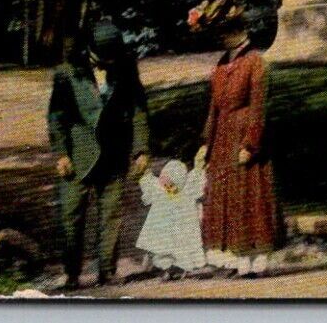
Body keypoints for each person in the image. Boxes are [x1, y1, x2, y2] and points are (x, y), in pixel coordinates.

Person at [46, 21, 151, 289]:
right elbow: (56, 117)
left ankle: (107, 271)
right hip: (77, 156)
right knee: (71, 216)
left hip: (114, 155)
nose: (111, 62)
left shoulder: (126, 67)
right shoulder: (67, 72)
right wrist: (61, 154)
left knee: (111, 216)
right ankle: (72, 274)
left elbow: (138, 109)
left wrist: (141, 149)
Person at [188, 0, 283, 277]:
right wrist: (206, 143)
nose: (221, 38)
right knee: (227, 197)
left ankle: (259, 256)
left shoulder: (255, 62)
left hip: (244, 136)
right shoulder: (221, 64)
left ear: (237, 30)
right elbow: (214, 108)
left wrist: (251, 144)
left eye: (224, 33)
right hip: (223, 139)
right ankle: (237, 256)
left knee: (250, 196)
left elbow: (258, 107)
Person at [136, 158, 207, 279]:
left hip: (171, 233)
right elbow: (195, 180)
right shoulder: (184, 193)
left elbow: (151, 183)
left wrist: (146, 172)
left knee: (173, 250)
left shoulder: (176, 193)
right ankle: (172, 268)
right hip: (170, 233)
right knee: (170, 251)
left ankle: (174, 268)